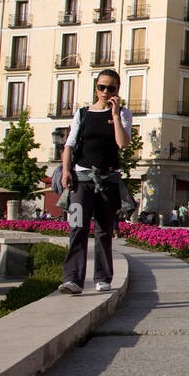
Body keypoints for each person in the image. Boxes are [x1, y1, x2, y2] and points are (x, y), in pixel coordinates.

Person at [56, 70, 132, 295]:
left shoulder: (124, 114)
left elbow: (122, 144)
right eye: (102, 87)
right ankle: (72, 279)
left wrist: (116, 115)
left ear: (117, 90)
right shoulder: (82, 114)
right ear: (95, 87)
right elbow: (69, 144)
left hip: (108, 181)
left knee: (104, 230)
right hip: (81, 180)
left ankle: (103, 277)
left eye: (111, 88)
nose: (106, 92)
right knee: (77, 227)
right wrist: (66, 171)